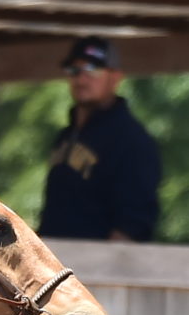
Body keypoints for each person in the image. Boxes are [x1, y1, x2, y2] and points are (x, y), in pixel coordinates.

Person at [39, 35, 160, 242]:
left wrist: (106, 267)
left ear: (115, 77)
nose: (81, 79)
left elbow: (134, 222)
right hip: (55, 262)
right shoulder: (66, 136)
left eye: (92, 69)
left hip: (100, 267)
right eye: (74, 70)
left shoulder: (132, 139)